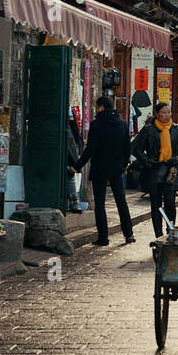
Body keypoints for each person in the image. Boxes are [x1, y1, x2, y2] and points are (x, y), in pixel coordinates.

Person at [71, 95, 135, 245]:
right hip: (117, 168)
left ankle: (103, 237)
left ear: (101, 107)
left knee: (100, 204)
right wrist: (124, 165)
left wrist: (76, 166)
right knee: (121, 201)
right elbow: (127, 148)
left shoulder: (96, 124)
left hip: (100, 167)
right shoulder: (122, 124)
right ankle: (129, 234)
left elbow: (90, 149)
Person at [131, 102, 178, 238]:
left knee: (170, 203)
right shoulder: (148, 130)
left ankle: (170, 232)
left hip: (171, 171)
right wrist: (147, 161)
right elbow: (134, 148)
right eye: (163, 112)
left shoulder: (177, 129)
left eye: (168, 112)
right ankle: (158, 234)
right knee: (156, 204)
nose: (166, 115)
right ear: (157, 114)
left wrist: (177, 159)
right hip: (154, 170)